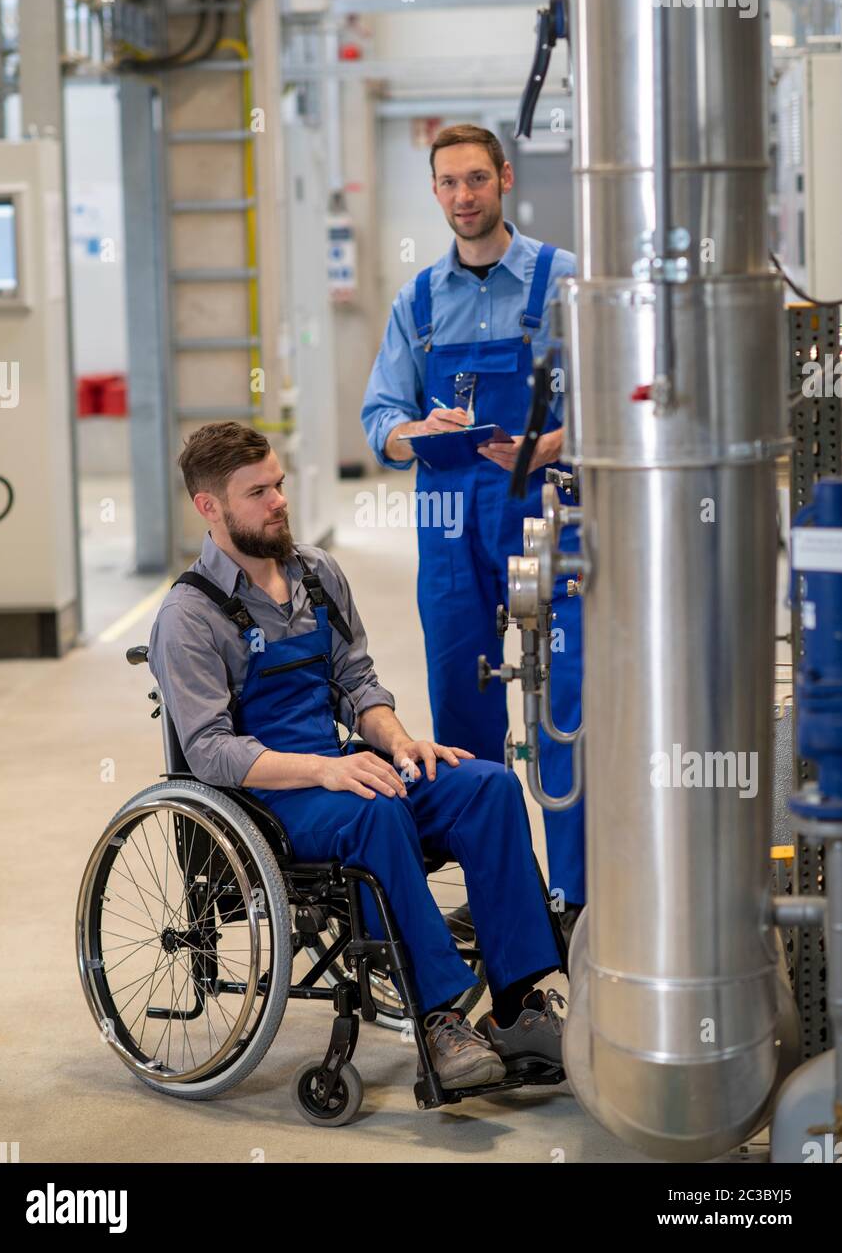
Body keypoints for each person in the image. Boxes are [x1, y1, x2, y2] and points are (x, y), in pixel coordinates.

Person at [148, 421, 567, 1092]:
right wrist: (325, 769)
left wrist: (399, 741)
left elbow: (358, 685)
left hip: (345, 768)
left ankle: (517, 1009)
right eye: (258, 493)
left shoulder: (316, 575)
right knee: (374, 810)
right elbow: (210, 753)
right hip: (273, 797)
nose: (279, 501)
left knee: (485, 785)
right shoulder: (189, 616)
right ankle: (440, 1020)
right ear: (210, 507)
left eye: (279, 485)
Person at [360, 124, 585, 921]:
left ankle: (574, 903)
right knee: (463, 717)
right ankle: (504, 904)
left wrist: (563, 437)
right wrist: (407, 432)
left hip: (550, 518)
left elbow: (618, 386)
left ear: (504, 179)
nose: (463, 196)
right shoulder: (417, 299)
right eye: (449, 183)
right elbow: (379, 410)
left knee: (566, 711)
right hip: (450, 530)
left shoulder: (562, 280)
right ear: (435, 191)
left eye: (477, 180)